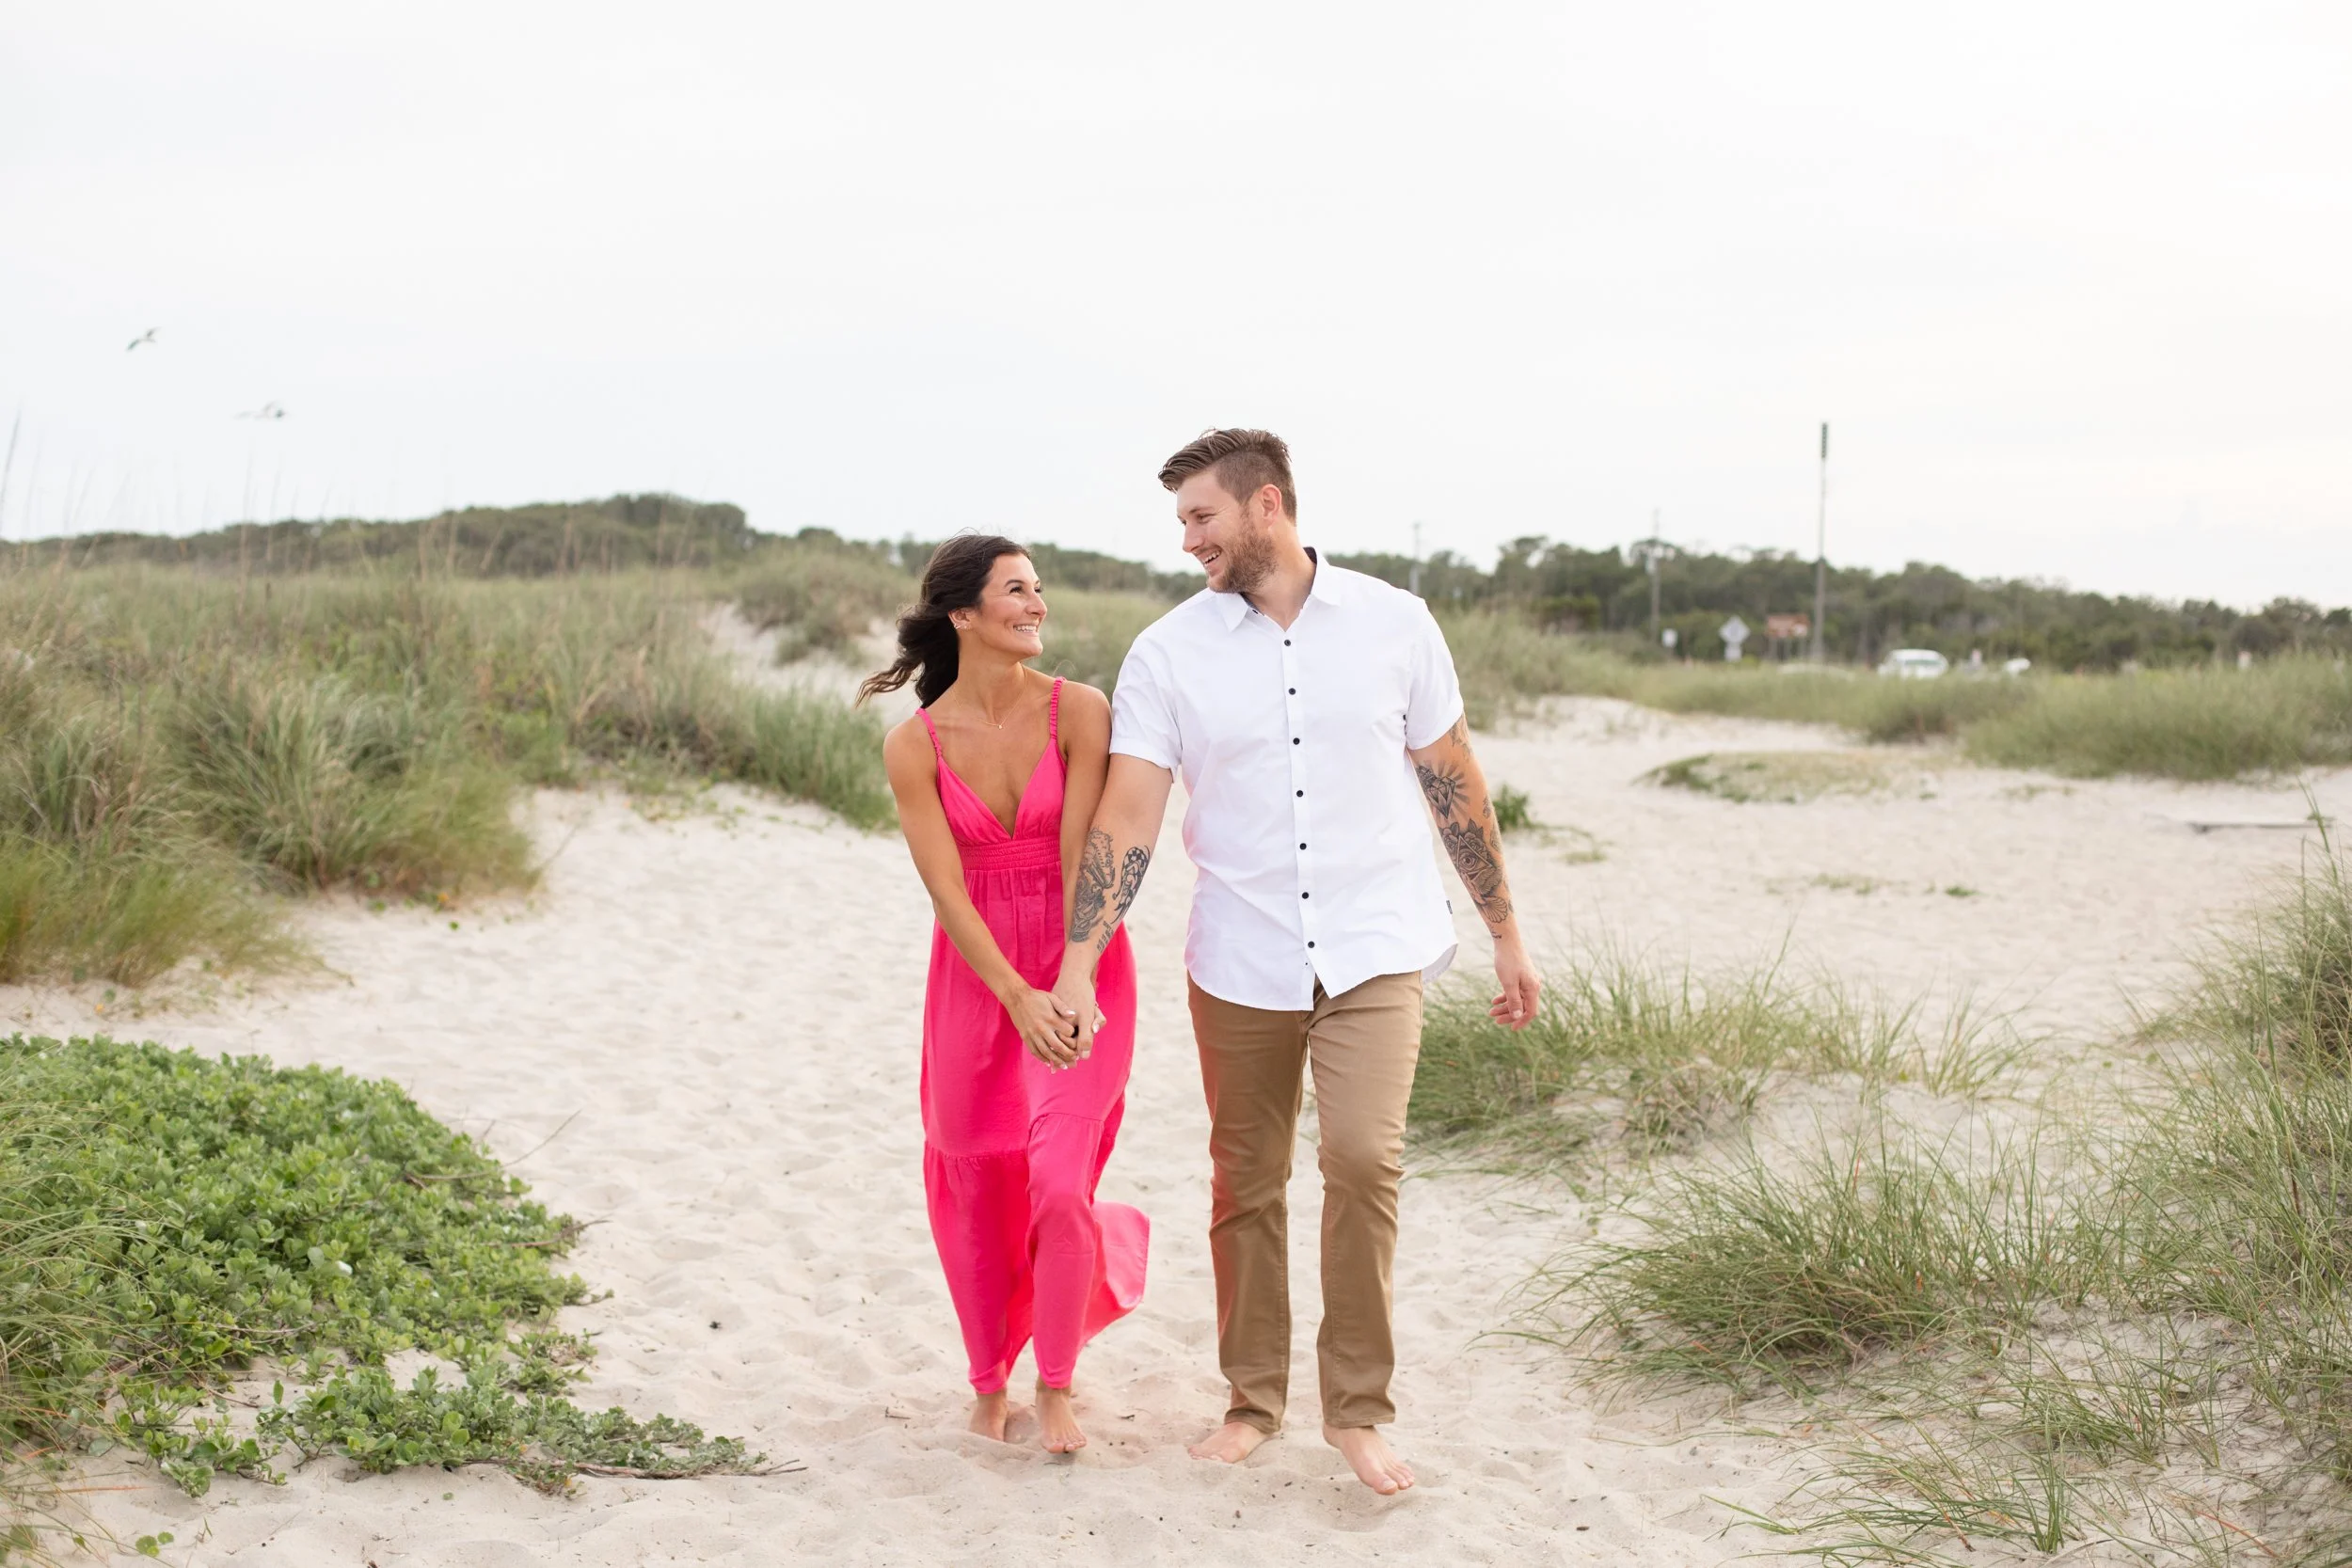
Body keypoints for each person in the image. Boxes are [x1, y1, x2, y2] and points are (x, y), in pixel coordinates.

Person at [1042, 429, 1540, 1495]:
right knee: (1246, 1179)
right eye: (1182, 521)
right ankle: (1252, 1399)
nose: (1189, 540)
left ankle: (1356, 1409)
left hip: (1376, 943)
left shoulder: (1396, 623)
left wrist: (1504, 930)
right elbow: (1128, 819)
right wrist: (1080, 959)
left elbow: (1453, 782)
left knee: (1362, 1159)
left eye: (1202, 517)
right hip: (1241, 951)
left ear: (1266, 503)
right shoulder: (1167, 653)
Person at [866, 535, 1148, 1453]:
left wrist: (1068, 977)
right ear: (963, 613)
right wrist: (1013, 995)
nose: (1037, 604)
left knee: (1060, 1182)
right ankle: (988, 1378)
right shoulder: (912, 745)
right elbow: (947, 890)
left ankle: (1056, 1380)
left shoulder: (1080, 709)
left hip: (1080, 964)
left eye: (1038, 588)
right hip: (976, 978)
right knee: (975, 1178)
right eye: (1017, 590)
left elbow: (1084, 855)